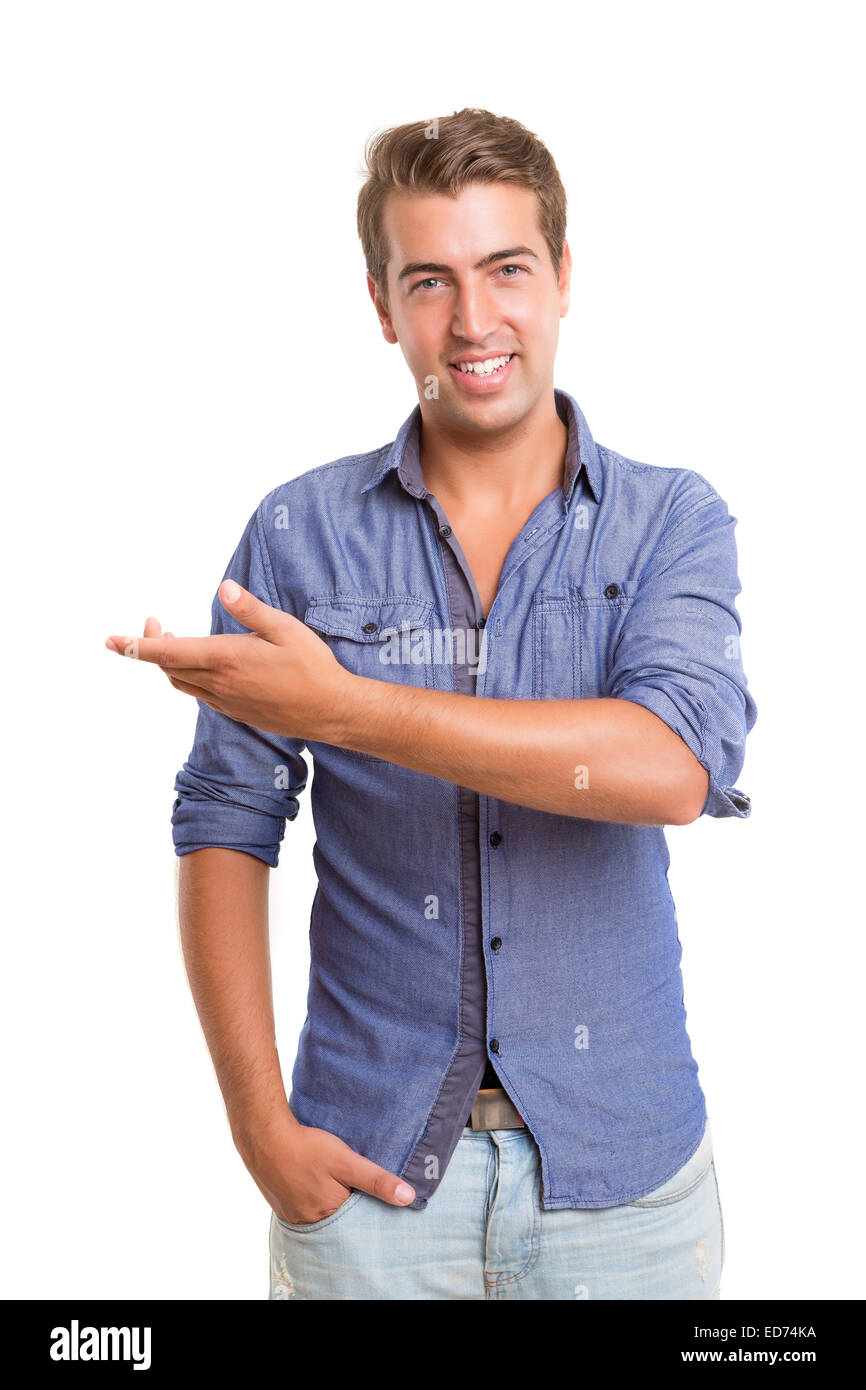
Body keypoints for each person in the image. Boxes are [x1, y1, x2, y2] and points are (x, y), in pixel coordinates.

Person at [106, 108, 757, 1299]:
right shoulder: (299, 534)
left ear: (561, 276)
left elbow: (667, 769)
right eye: (429, 281)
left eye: (506, 269)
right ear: (379, 303)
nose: (471, 322)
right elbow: (222, 825)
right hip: (367, 1190)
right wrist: (259, 1126)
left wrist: (345, 706)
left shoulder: (669, 520)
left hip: (626, 1190)